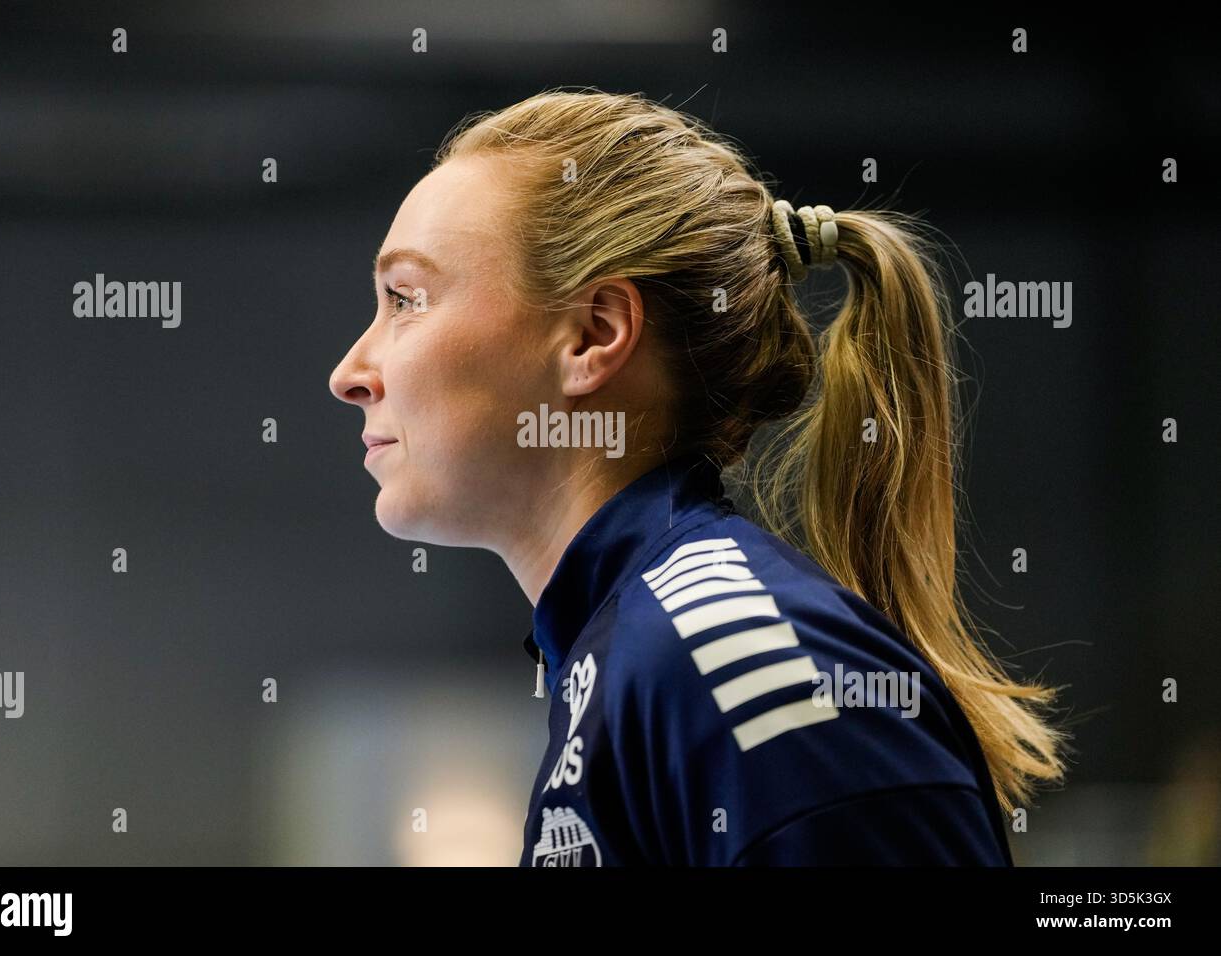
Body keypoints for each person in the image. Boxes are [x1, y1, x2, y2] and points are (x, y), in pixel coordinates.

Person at [328, 88, 1070, 866]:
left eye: (406, 299)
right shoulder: (626, 659)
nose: (351, 372)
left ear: (593, 333)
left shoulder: (729, 660)